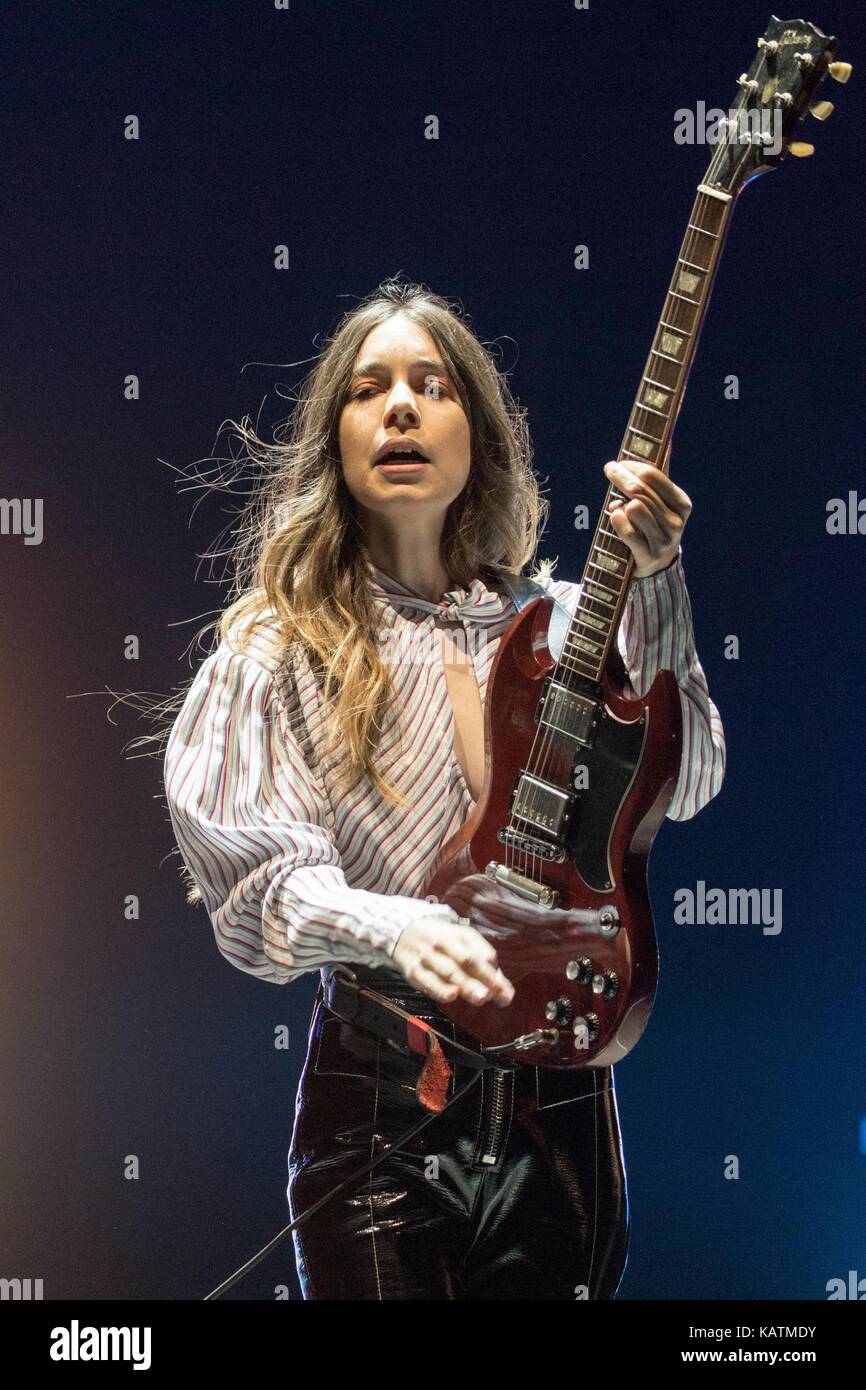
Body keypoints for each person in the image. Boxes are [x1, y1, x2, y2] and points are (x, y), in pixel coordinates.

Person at [163, 276, 726, 1300]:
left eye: (432, 384)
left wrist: (658, 583)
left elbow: (681, 780)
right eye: (369, 388)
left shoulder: (560, 624)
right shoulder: (277, 646)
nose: (401, 407)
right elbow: (258, 889)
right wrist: (393, 927)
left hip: (562, 1101)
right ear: (334, 439)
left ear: (479, 432)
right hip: (384, 1084)